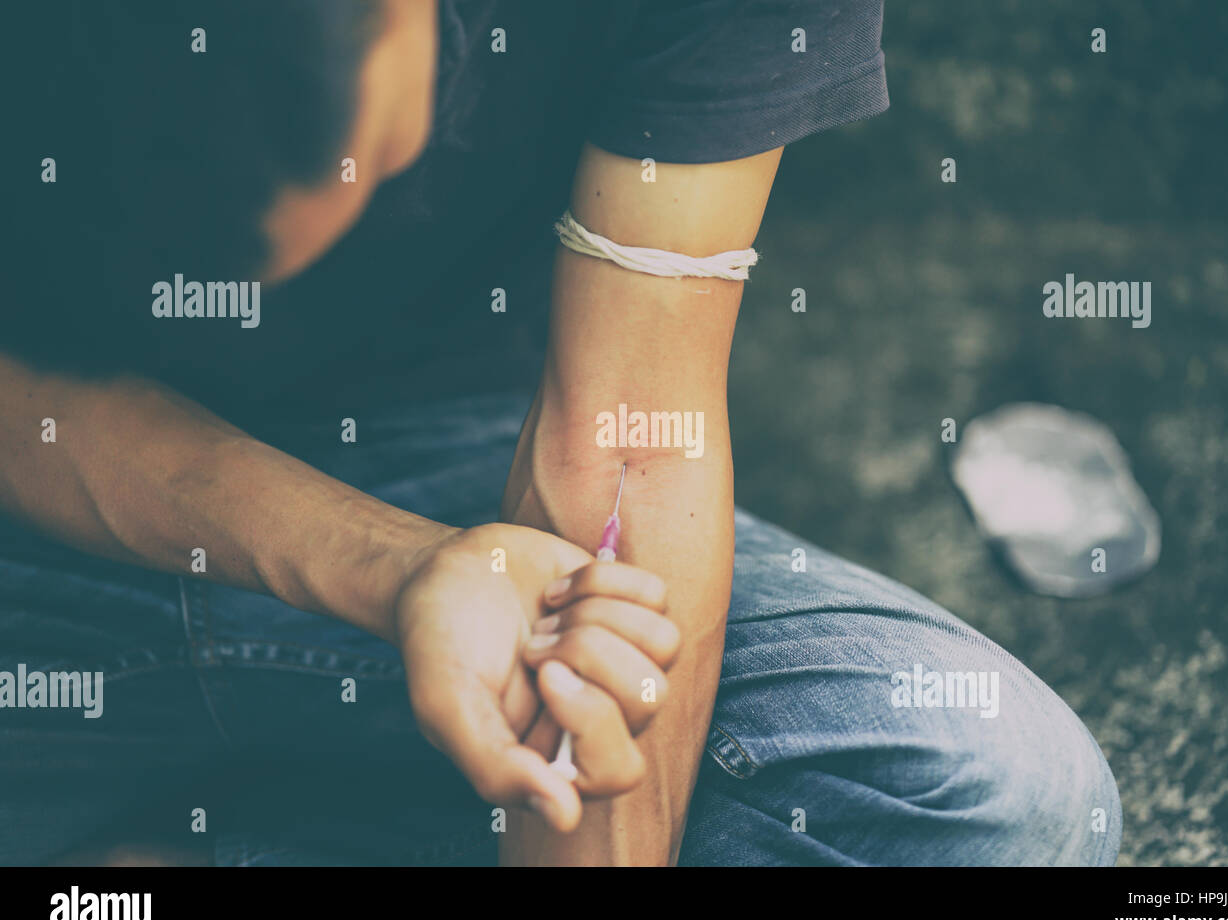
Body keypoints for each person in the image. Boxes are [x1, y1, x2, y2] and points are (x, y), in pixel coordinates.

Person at [1, 0, 1121, 866]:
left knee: (994, 795)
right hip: (36, 543)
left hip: (459, 458)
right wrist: (392, 569)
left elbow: (630, 436)